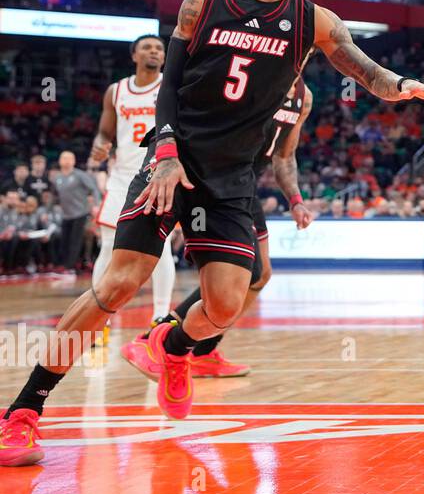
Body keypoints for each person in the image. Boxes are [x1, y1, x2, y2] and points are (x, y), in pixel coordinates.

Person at [0, 0, 424, 467]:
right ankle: (23, 412)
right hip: (176, 159)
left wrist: (405, 87)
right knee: (118, 285)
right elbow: (168, 87)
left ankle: (172, 344)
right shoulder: (204, 2)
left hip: (233, 178)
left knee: (225, 303)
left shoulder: (314, 19)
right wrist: (164, 151)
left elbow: (369, 73)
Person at [122, 75, 313, 378]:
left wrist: (295, 199)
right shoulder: (259, 76)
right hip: (220, 179)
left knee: (259, 275)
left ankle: (202, 349)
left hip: (243, 185)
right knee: (247, 273)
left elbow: (284, 156)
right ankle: (155, 340)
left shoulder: (305, 97)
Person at [89, 34, 175, 321]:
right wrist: (100, 144)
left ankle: (160, 318)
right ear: (134, 55)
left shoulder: (172, 86)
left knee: (159, 248)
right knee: (108, 247)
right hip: (122, 177)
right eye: (147, 48)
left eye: (159, 49)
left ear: (164, 57)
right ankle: (98, 315)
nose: (154, 52)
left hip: (157, 175)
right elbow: (105, 131)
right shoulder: (116, 91)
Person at [50, 151, 100, 274]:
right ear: (60, 161)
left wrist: (96, 205)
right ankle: (63, 264)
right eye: (64, 158)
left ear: (73, 161)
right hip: (66, 214)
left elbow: (93, 189)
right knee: (64, 240)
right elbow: (54, 196)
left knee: (75, 240)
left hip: (80, 213)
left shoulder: (80, 175)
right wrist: (49, 210)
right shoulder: (58, 178)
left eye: (69, 158)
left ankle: (70, 266)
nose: (66, 161)